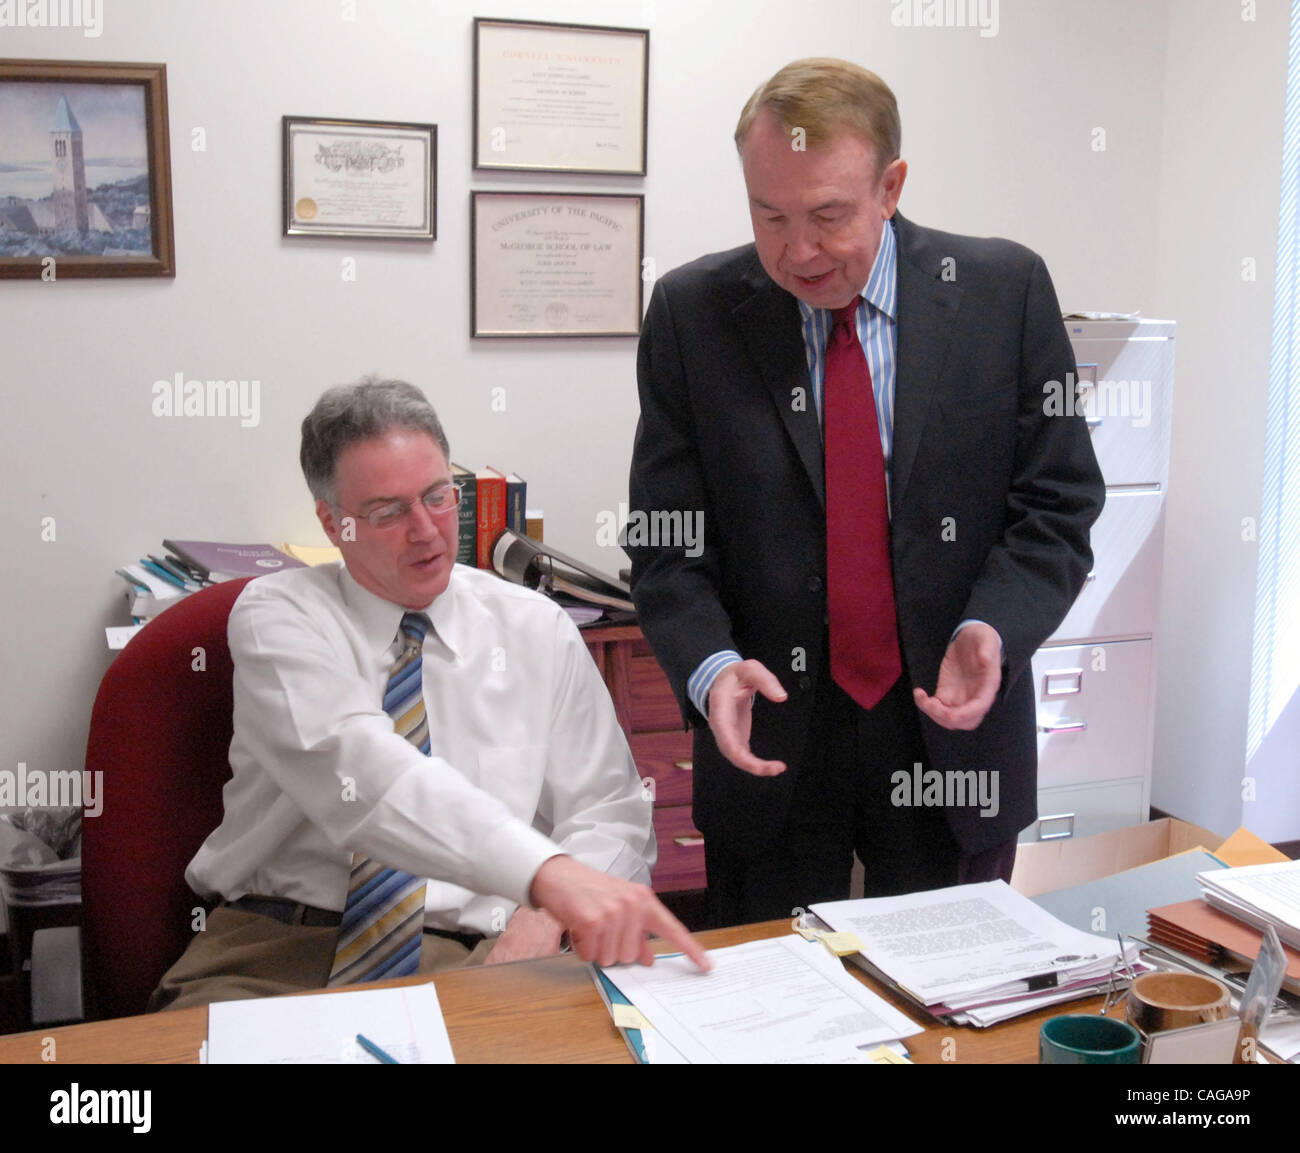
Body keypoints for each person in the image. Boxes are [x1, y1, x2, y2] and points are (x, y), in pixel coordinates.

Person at [627, 58, 1105, 927]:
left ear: (891, 186)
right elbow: (666, 542)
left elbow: (1059, 506)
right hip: (771, 738)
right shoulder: (693, 314)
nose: (797, 251)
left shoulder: (1005, 293)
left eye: (827, 216)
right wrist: (709, 665)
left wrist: (992, 626)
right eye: (769, 215)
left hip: (947, 726)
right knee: (766, 1015)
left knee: (953, 1011)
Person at [151, 378, 706, 1011]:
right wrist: (545, 876)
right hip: (280, 948)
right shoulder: (280, 615)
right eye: (387, 512)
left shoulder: (533, 625)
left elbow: (610, 813)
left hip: (474, 949)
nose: (426, 531)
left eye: (439, 497)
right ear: (334, 524)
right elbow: (366, 774)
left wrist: (543, 917)